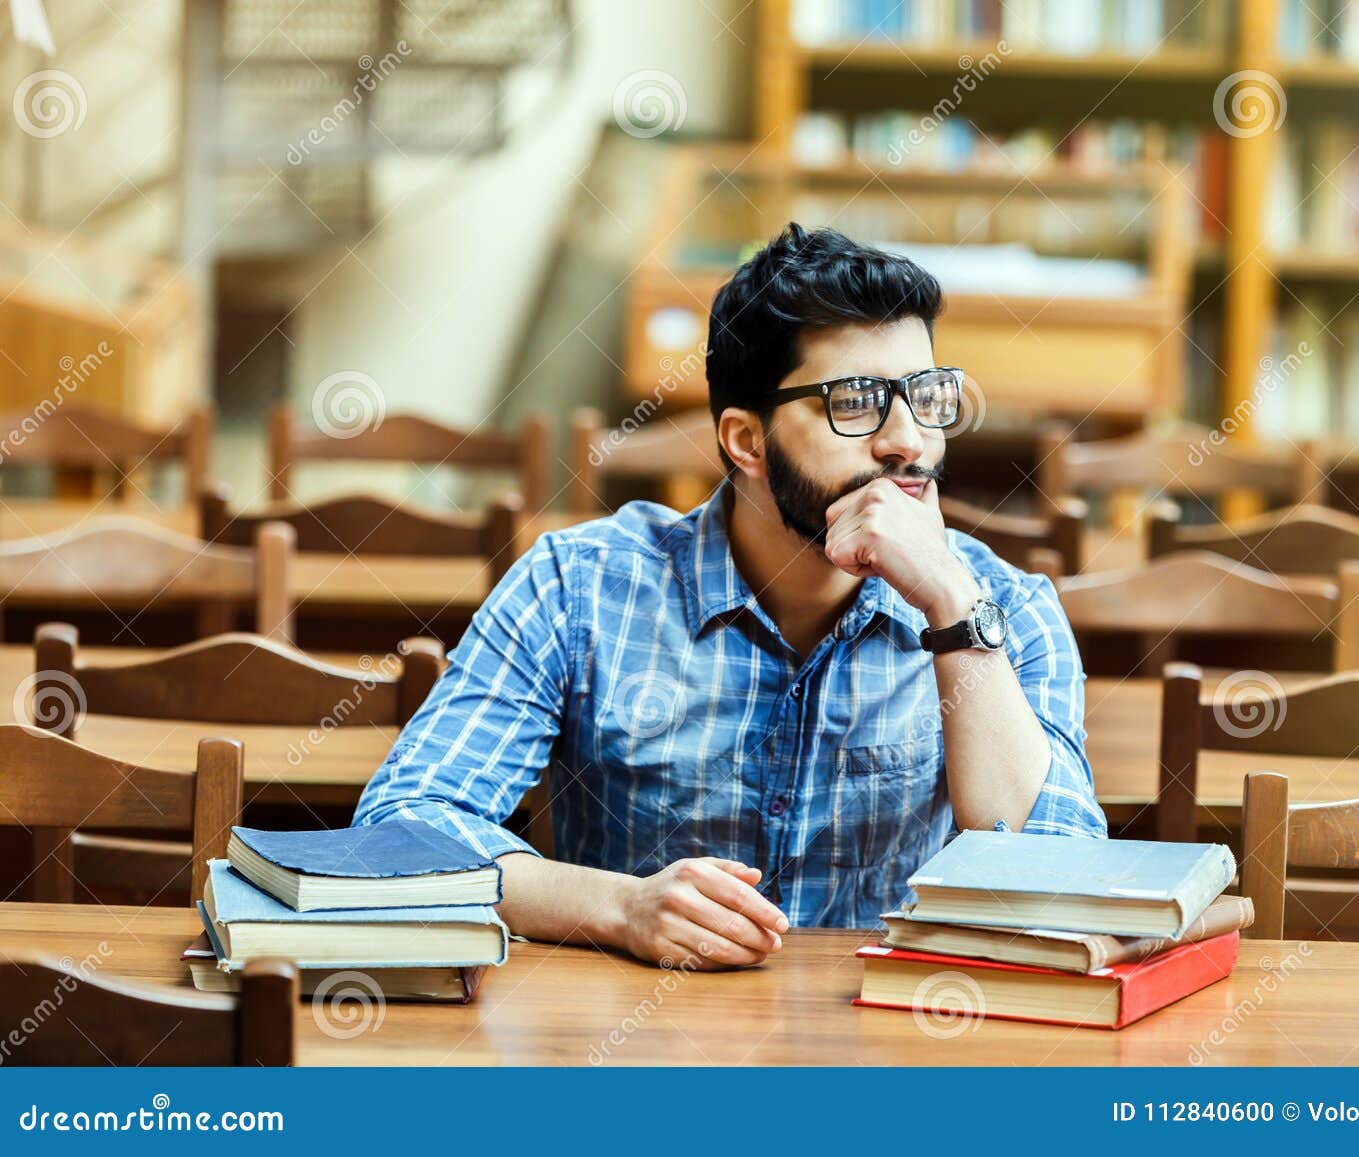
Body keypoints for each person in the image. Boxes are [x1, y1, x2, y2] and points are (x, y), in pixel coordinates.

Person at [354, 223, 1105, 968]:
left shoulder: (1002, 606)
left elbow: (1058, 885)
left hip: (888, 1049)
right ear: (747, 441)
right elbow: (404, 829)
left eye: (925, 396)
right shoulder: (575, 585)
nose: (910, 441)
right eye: (856, 401)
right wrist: (620, 906)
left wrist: (948, 604)